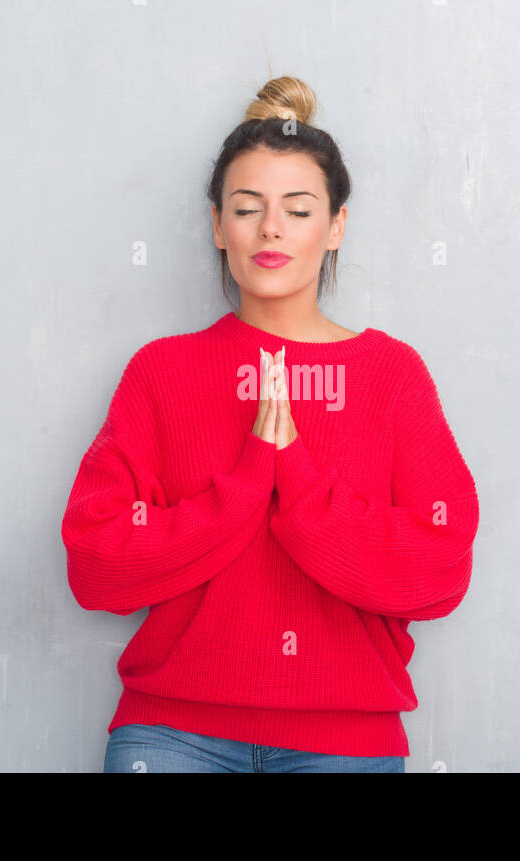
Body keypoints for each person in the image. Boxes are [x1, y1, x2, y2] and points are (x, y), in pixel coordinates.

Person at [61, 76, 480, 773]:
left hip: (344, 745)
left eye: (297, 208)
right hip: (172, 738)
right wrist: (250, 480)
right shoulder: (163, 373)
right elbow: (95, 562)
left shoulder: (391, 375)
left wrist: (302, 483)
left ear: (336, 225)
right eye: (247, 208)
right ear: (218, 227)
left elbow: (440, 568)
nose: (271, 229)